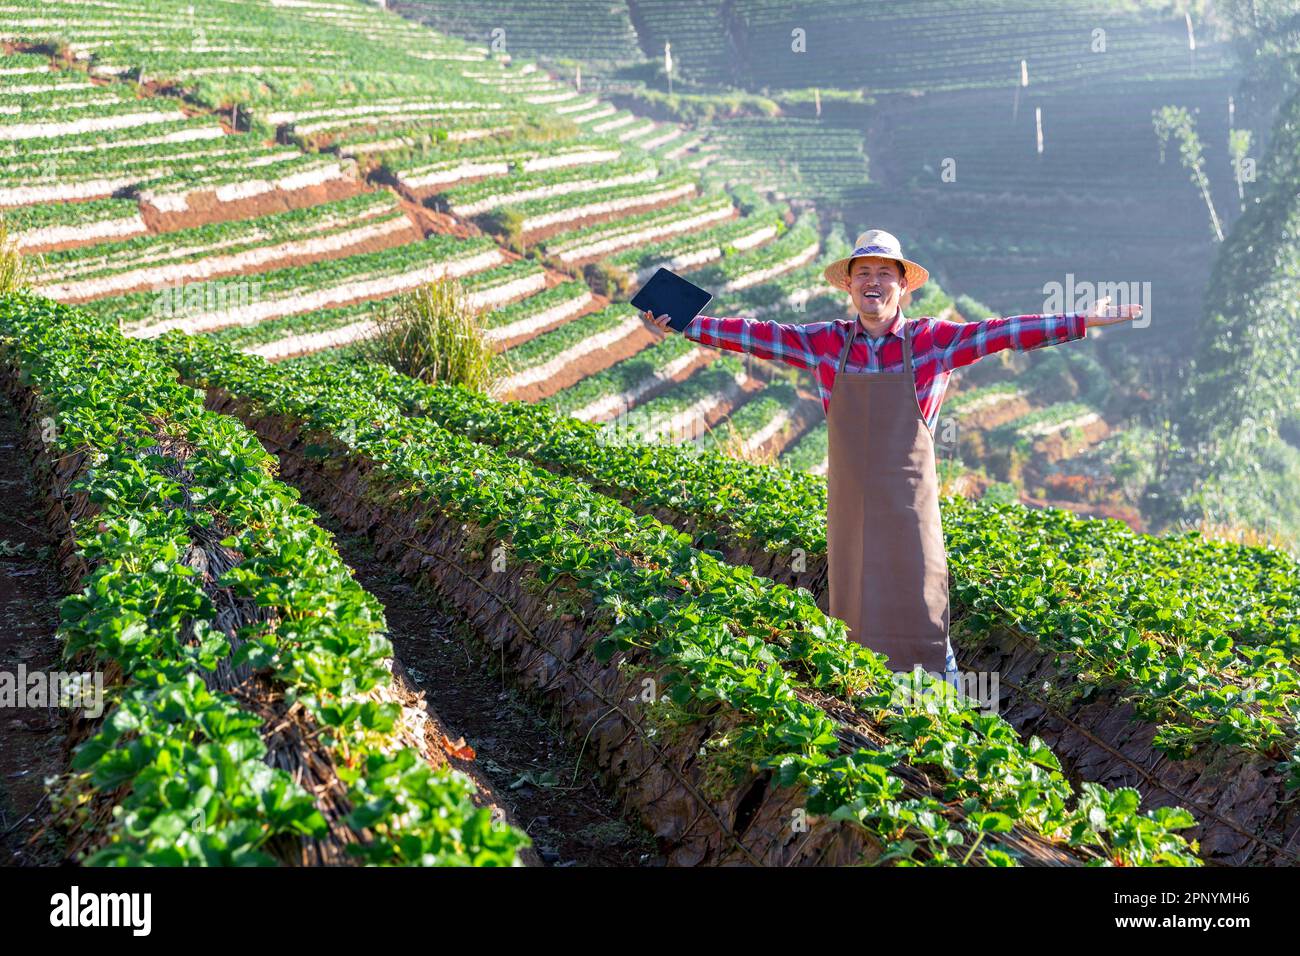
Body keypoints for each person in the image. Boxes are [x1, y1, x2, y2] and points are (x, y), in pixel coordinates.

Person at [641, 228, 1142, 691]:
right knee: (855, 613)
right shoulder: (825, 342)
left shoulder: (932, 341)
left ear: (903, 287)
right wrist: (687, 324)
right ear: (850, 286)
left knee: (922, 607)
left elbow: (1004, 332)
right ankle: (865, 707)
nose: (873, 283)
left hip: (910, 510)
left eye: (885, 274)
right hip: (852, 510)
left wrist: (1081, 320)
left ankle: (947, 712)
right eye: (863, 273)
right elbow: (754, 334)